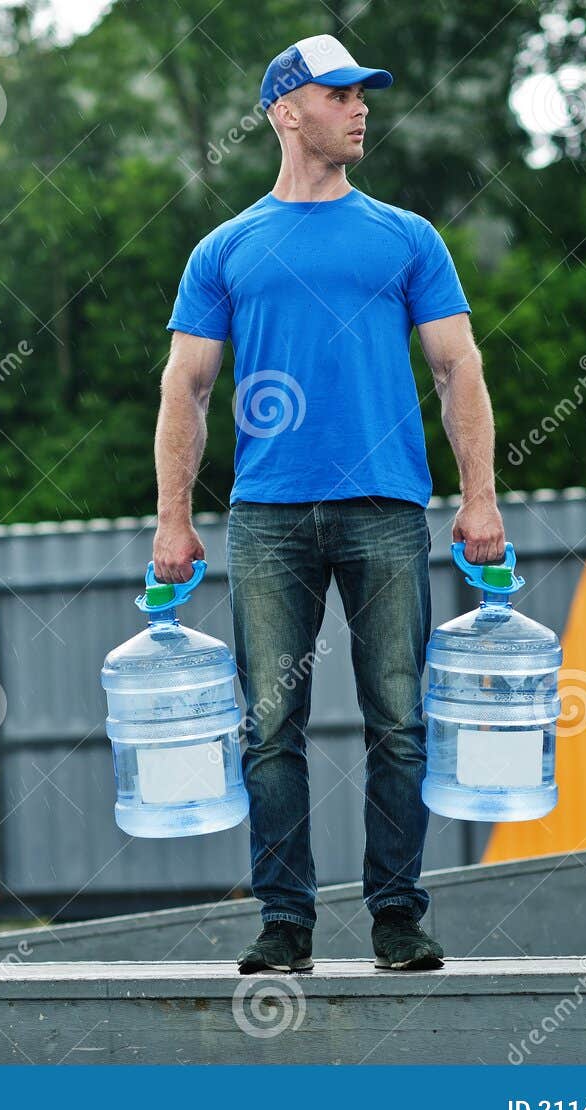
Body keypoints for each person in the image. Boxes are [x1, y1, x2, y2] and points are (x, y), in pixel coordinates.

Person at [151, 34, 506, 974]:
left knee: (399, 718)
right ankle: (285, 922)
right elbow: (184, 387)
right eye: (339, 92)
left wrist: (481, 497)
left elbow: (456, 365)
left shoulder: (406, 237)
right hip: (267, 516)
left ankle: (397, 915)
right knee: (270, 726)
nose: (360, 107)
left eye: (363, 93)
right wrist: (172, 517)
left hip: (388, 507)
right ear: (285, 110)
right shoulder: (224, 250)